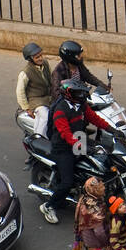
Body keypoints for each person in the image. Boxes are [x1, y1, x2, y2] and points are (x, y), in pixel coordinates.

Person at [42, 78, 115, 225]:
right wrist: (82, 147)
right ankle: (48, 206)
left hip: (78, 139)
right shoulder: (60, 110)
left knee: (99, 161)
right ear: (69, 93)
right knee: (67, 182)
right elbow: (65, 134)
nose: (82, 95)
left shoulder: (80, 105)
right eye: (79, 93)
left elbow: (94, 118)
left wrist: (111, 129)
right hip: (63, 148)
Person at [15, 42, 53, 136]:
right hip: (36, 100)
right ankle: (39, 138)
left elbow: (51, 79)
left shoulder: (45, 64)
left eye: (41, 55)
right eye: (37, 57)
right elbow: (20, 92)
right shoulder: (25, 72)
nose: (40, 58)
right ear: (30, 59)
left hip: (48, 96)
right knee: (44, 117)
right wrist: (27, 108)